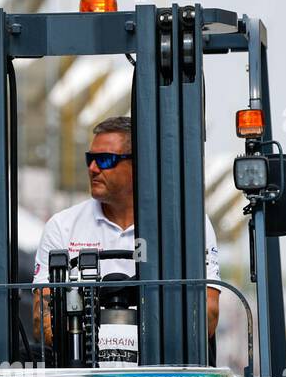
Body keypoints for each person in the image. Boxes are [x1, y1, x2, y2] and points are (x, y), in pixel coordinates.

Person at [32, 116, 220, 345]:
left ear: (139, 164)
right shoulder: (61, 226)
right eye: (90, 159)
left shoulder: (189, 224)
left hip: (161, 372)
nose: (92, 168)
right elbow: (42, 322)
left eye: (105, 160)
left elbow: (207, 317)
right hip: (86, 372)